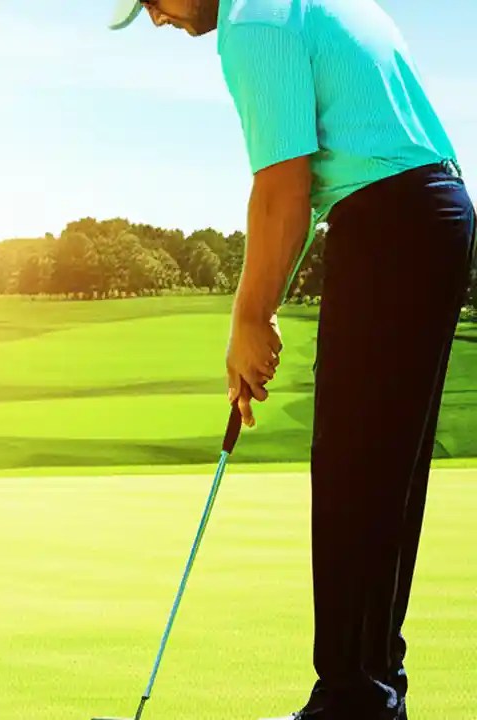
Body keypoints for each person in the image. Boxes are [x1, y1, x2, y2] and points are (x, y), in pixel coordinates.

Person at [108, 2, 474, 720]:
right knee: (382, 478)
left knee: (353, 470)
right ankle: (369, 690)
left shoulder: (252, 22)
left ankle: (352, 699)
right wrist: (263, 310)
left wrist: (247, 318)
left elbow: (283, 190)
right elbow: (308, 192)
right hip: (429, 212)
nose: (156, 18)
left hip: (392, 222)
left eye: (153, 0)